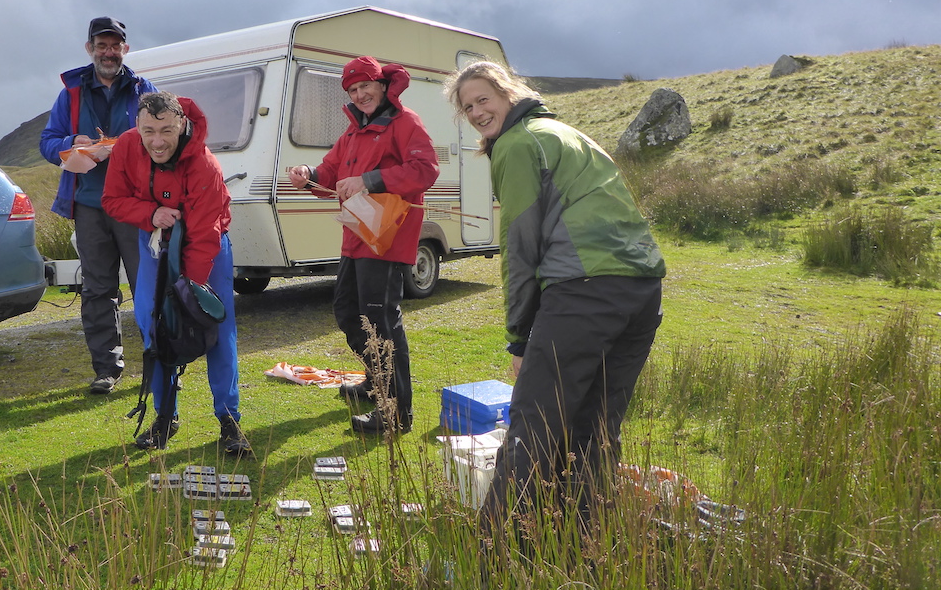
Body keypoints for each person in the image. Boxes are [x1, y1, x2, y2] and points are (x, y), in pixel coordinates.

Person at [445, 61, 666, 534]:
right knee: (595, 427)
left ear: (508, 92)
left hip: (584, 292)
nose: (477, 112)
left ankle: (495, 558)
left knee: (534, 428)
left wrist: (520, 340)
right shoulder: (565, 132)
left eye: (483, 99)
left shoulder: (520, 143)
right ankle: (585, 543)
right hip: (641, 289)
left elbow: (521, 245)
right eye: (467, 107)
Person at [288, 56, 439, 435]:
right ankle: (375, 384)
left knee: (381, 321)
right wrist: (308, 176)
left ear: (383, 86)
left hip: (386, 239)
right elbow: (332, 173)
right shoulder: (353, 133)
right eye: (353, 90)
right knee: (347, 310)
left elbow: (426, 170)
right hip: (356, 235)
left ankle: (395, 412)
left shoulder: (405, 123)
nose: (360, 94)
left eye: (365, 86)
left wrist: (369, 180)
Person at [103, 92, 251, 456]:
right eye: (148, 130)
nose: (156, 141)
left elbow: (204, 235)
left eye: (166, 130)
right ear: (137, 127)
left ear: (182, 124)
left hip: (207, 245)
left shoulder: (205, 165)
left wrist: (189, 294)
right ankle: (164, 417)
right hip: (154, 241)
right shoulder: (125, 147)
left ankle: (229, 421)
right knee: (154, 324)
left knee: (215, 325)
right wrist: (150, 213)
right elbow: (112, 199)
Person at [39, 17, 158, 395]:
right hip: (89, 205)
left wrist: (133, 144)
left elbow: (166, 135)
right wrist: (73, 141)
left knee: (147, 286)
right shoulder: (70, 95)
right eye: (102, 45)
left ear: (126, 48)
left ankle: (160, 361)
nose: (109, 52)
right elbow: (47, 141)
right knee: (97, 290)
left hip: (136, 204)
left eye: (115, 45)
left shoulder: (144, 90)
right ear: (89, 48)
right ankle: (107, 368)